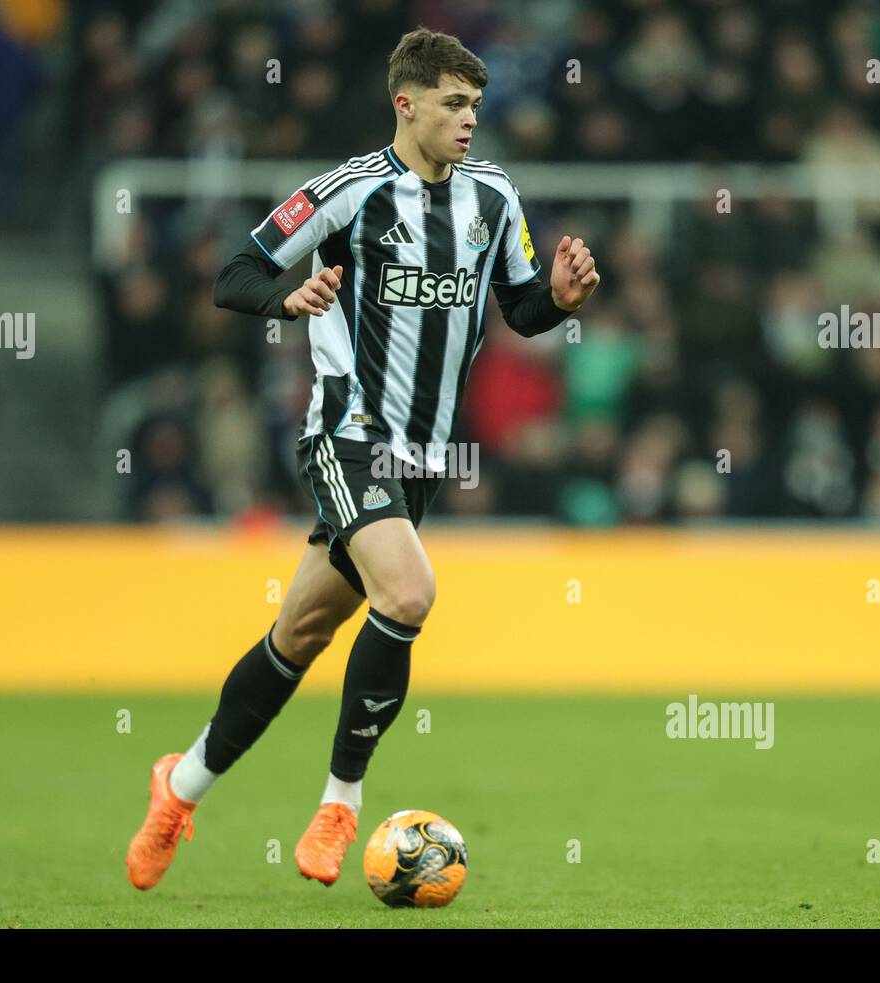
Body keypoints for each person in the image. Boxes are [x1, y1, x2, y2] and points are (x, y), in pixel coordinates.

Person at [127, 25, 600, 891]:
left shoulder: (494, 197)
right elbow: (235, 273)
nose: (469, 123)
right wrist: (291, 295)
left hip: (420, 460)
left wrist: (560, 301)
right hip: (347, 435)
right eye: (454, 106)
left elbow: (521, 309)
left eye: (476, 108)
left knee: (300, 632)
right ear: (405, 104)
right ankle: (341, 802)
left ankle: (180, 784)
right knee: (411, 592)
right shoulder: (347, 192)